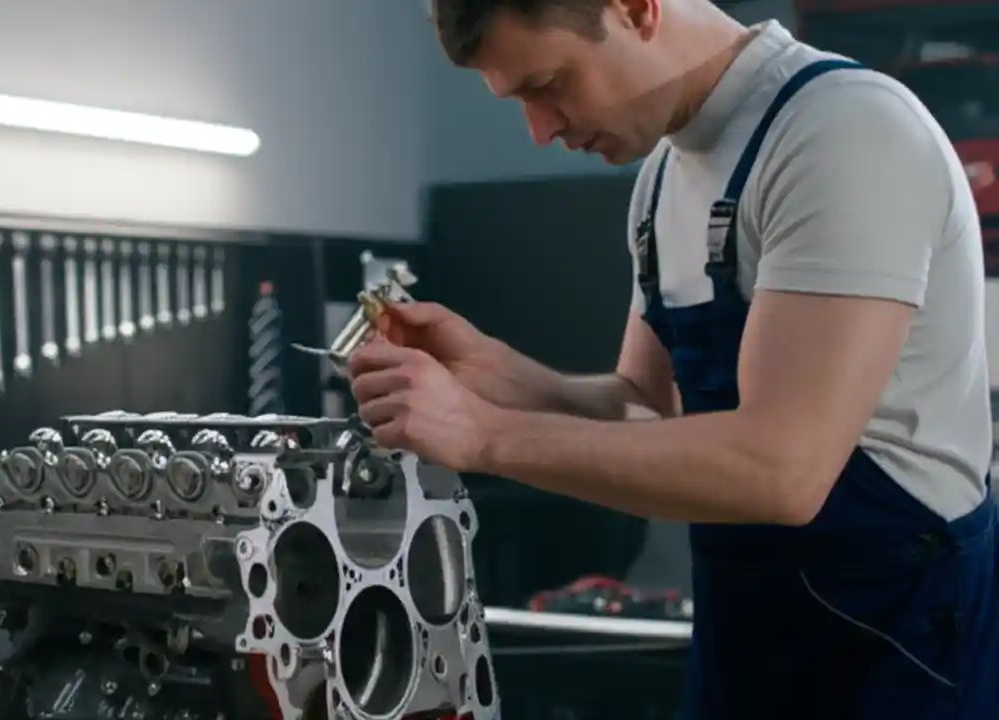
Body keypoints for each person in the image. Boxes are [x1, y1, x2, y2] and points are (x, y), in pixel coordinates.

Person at [346, 0, 999, 717]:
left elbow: (783, 470)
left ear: (634, 9)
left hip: (898, 649)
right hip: (746, 644)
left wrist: (482, 434)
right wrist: (496, 378)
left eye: (549, 83)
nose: (541, 131)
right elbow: (648, 407)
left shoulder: (843, 133)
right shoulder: (662, 178)